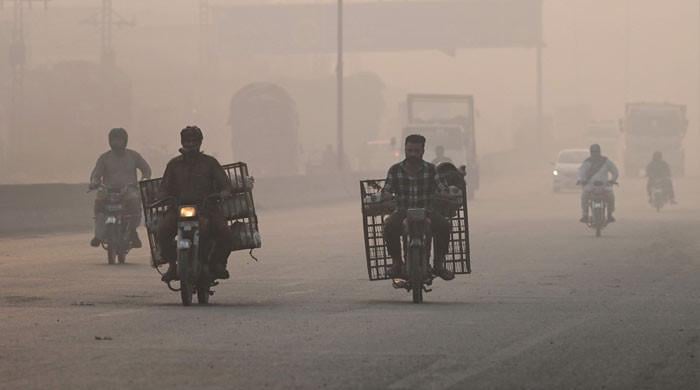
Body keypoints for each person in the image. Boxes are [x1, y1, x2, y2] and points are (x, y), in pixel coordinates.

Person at [156, 126, 234, 282]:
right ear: (182, 142)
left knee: (225, 233)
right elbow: (164, 187)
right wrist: (163, 196)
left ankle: (218, 263)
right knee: (162, 232)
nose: (190, 144)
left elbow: (225, 185)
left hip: (207, 208)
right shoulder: (174, 165)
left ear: (199, 142)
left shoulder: (210, 163)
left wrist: (223, 193)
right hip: (178, 209)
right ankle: (172, 265)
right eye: (187, 141)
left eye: (194, 141)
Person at [381, 134, 455, 281]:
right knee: (388, 225)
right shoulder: (395, 170)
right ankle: (397, 262)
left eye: (416, 151)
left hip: (427, 211)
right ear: (405, 150)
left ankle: (438, 264)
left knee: (444, 226)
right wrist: (385, 197)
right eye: (410, 150)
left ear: (422, 151)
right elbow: (386, 190)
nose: (413, 154)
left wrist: (447, 194)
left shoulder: (432, 169)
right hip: (402, 211)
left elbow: (442, 188)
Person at [89, 128, 151, 248]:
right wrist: (94, 182)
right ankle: (98, 235)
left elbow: (146, 169)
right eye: (114, 140)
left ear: (125, 141)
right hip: (108, 191)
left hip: (128, 190)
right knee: (99, 204)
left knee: (134, 202)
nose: (116, 143)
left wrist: (145, 179)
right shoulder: (104, 158)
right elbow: (96, 174)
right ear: (109, 141)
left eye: (119, 140)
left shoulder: (134, 156)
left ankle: (132, 232)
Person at [577, 144, 619, 223]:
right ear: (591, 152)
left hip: (604, 186)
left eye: (596, 151)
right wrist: (581, 180)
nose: (595, 153)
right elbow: (581, 172)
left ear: (600, 152)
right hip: (590, 186)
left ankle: (609, 214)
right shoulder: (587, 162)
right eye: (593, 152)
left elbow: (615, 171)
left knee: (611, 196)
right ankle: (585, 215)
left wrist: (612, 180)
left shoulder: (606, 161)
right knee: (584, 196)